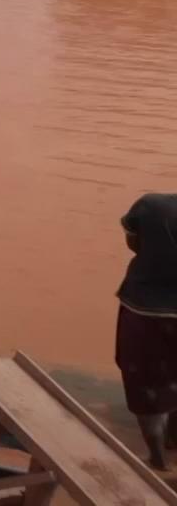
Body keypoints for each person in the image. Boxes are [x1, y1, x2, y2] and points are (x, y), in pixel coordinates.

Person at [117, 193, 177, 468]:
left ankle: (157, 457)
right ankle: (173, 439)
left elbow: (133, 242)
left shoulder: (150, 205)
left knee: (143, 383)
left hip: (146, 311)